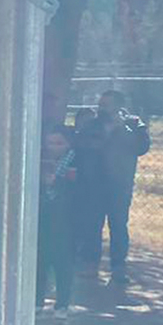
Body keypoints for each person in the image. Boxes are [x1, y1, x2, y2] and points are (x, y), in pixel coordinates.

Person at [74, 89, 151, 286]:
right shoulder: (91, 125)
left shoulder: (133, 124)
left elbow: (141, 147)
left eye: (106, 105)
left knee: (118, 226)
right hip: (94, 185)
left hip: (119, 186)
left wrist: (121, 129)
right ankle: (90, 264)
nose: (102, 108)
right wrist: (104, 136)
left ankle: (118, 268)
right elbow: (80, 144)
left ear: (118, 106)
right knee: (92, 226)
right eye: (101, 104)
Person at [36, 126, 82, 311]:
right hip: (44, 219)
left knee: (63, 265)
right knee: (40, 262)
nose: (54, 147)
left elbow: (81, 189)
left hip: (67, 221)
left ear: (69, 144)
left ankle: (62, 304)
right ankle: (37, 302)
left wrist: (57, 181)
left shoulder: (77, 161)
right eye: (50, 143)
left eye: (59, 143)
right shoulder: (39, 160)